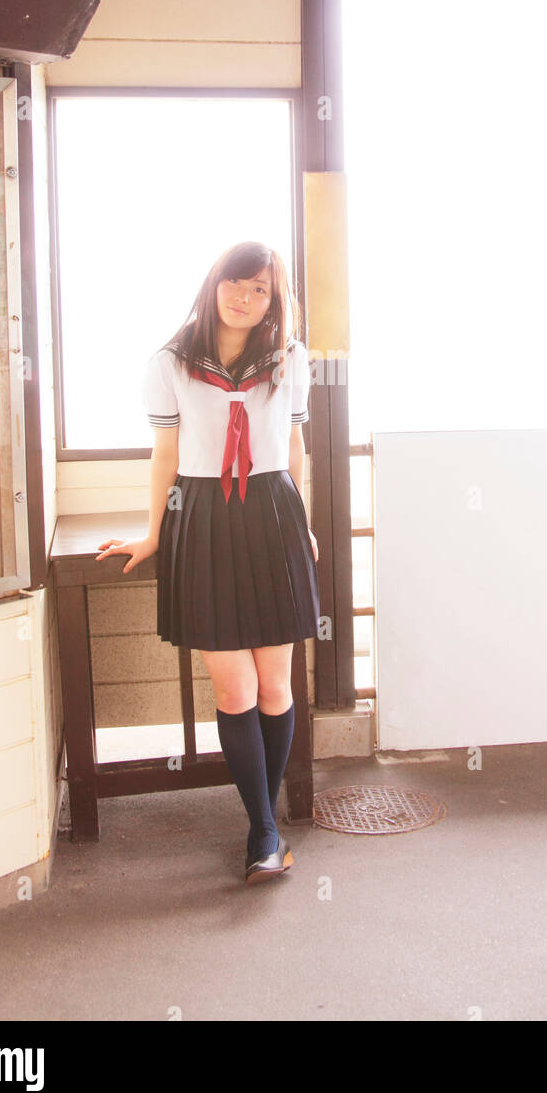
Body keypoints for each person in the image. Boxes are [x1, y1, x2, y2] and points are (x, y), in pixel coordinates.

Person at [96, 241, 320, 885]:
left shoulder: (288, 359)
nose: (244, 298)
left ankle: (262, 827)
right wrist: (153, 533)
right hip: (202, 514)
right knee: (233, 687)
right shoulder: (169, 362)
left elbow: (296, 445)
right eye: (234, 283)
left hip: (272, 512)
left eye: (259, 289)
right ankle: (266, 827)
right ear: (213, 283)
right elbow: (164, 457)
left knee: (275, 686)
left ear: (274, 299)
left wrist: (302, 522)